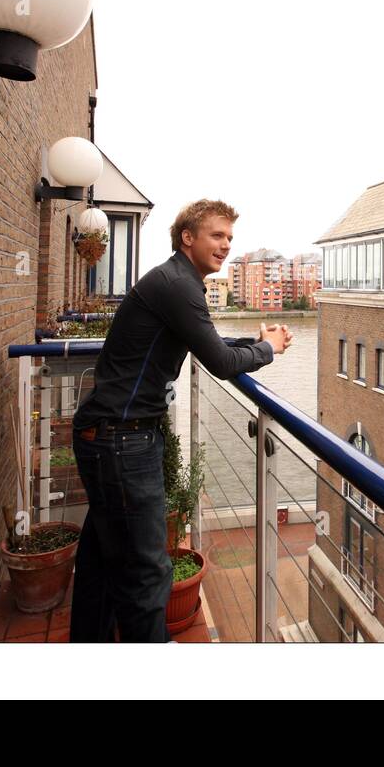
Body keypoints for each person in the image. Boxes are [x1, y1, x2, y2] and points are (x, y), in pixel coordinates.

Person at [69, 199, 292, 642]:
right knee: (148, 574)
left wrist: (253, 339)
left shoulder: (175, 280)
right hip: (122, 441)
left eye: (230, 238)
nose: (226, 245)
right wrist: (268, 349)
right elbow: (223, 361)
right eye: (217, 235)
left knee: (100, 562)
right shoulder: (179, 284)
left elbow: (207, 339)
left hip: (113, 436)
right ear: (188, 237)